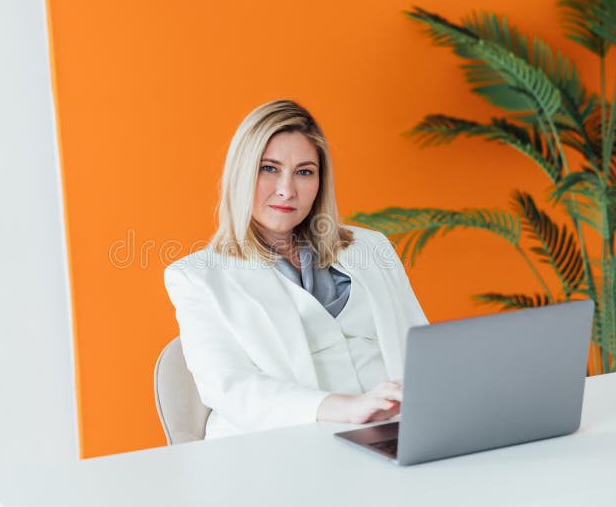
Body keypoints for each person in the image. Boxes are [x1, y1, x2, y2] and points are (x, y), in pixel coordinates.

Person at [164, 99, 428, 439]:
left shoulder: (371, 247)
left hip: (395, 435)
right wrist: (345, 407)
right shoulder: (197, 278)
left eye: (304, 172)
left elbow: (420, 347)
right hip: (283, 448)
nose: (287, 190)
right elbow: (230, 387)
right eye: (269, 168)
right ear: (241, 173)